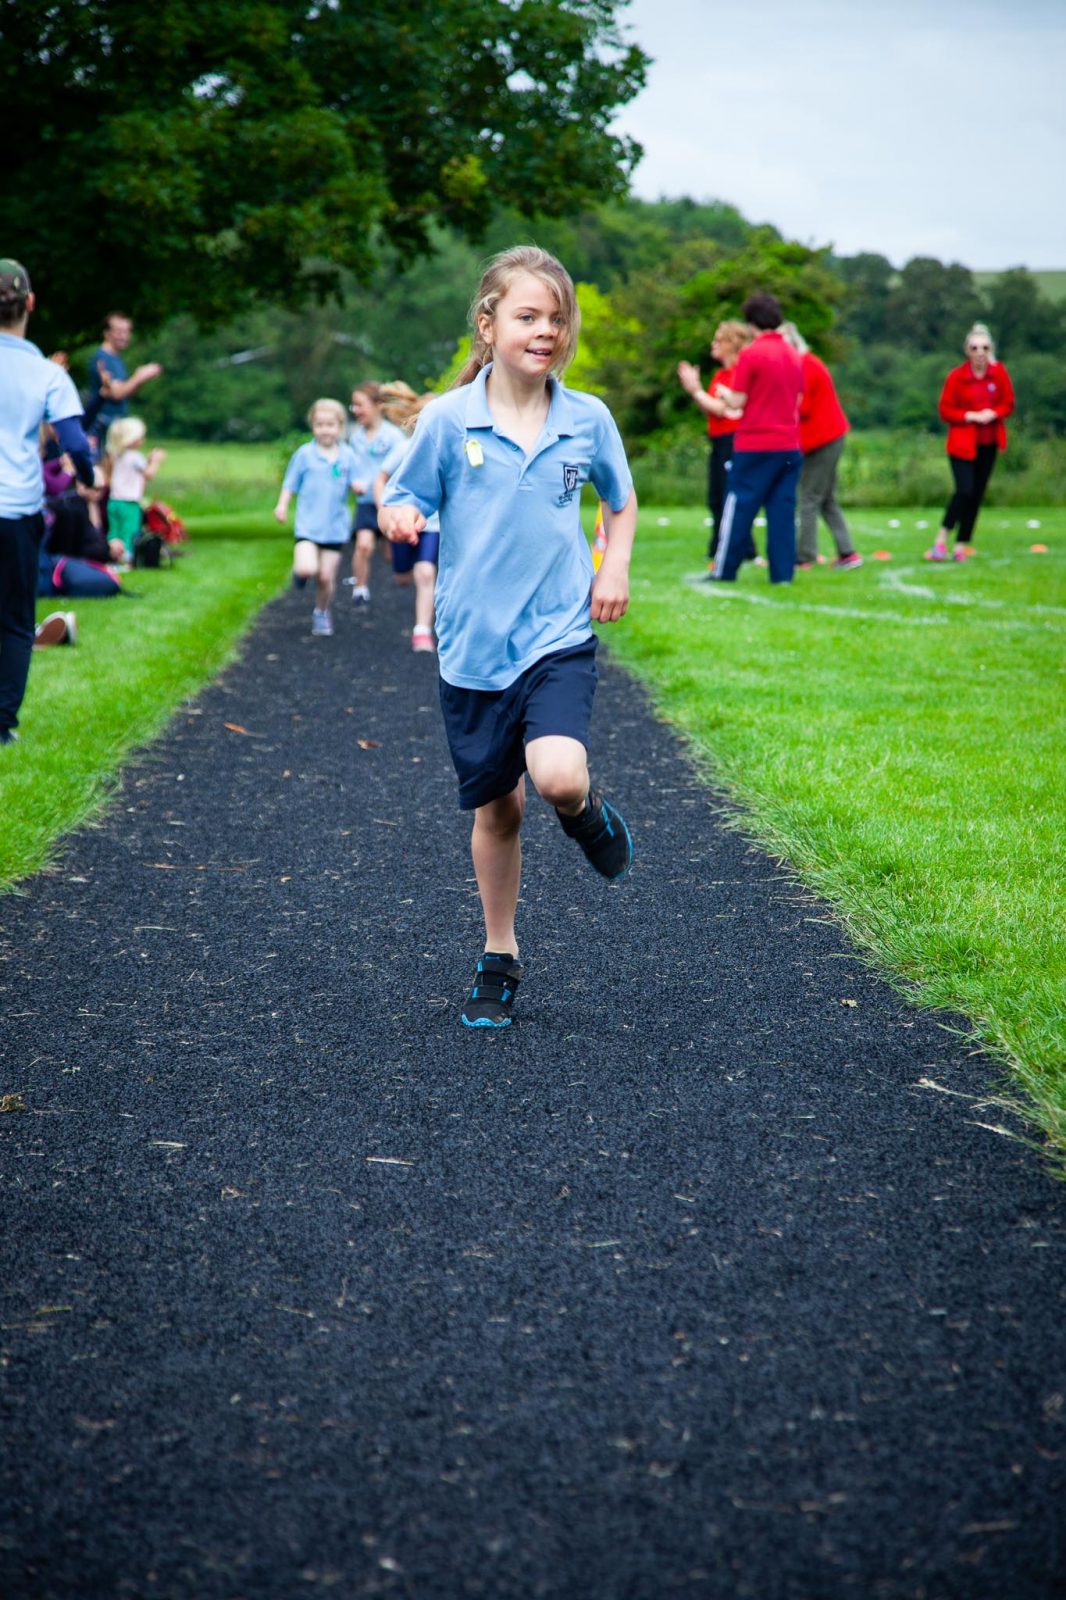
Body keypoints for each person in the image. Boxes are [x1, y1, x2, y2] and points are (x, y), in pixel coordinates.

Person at [380, 245, 637, 1030]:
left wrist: (612, 569)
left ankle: (586, 808)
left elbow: (619, 504)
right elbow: (403, 494)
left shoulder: (587, 418)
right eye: (528, 316)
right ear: (487, 324)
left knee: (555, 776)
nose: (546, 331)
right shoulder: (450, 420)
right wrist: (398, 516)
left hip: (556, 634)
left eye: (557, 319)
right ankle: (500, 952)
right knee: (500, 811)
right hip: (471, 650)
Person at [0, 259, 93, 744]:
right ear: (30, 303)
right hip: (15, 509)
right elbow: (75, 443)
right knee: (15, 620)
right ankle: (1, 726)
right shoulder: (44, 373)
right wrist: (90, 477)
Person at [710, 292, 804, 584]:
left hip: (754, 444)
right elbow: (799, 398)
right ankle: (782, 575)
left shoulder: (751, 353)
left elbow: (737, 402)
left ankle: (724, 570)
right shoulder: (793, 353)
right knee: (782, 512)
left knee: (739, 507)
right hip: (789, 444)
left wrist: (724, 393)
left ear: (752, 323)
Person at [926, 324, 1015, 562]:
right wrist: (970, 416)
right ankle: (941, 539)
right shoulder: (957, 377)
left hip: (989, 443)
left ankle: (961, 545)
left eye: (984, 348)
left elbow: (1008, 403)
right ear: (967, 350)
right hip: (962, 445)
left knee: (976, 494)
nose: (980, 352)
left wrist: (993, 413)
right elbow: (945, 410)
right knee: (964, 491)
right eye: (975, 348)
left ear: (990, 350)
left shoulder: (999, 374)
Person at [274, 398, 361, 637]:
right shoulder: (304, 455)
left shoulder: (347, 456)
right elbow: (290, 484)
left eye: (330, 424)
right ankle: (299, 574)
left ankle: (322, 612)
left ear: (340, 427)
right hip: (308, 526)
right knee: (306, 567)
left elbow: (356, 481)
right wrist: (282, 506)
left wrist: (359, 487)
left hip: (335, 527)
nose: (325, 429)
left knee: (326, 576)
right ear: (313, 426)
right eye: (320, 424)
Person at [779, 323, 862, 571]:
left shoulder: (804, 366)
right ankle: (847, 552)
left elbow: (801, 407)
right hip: (827, 437)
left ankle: (804, 556)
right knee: (826, 499)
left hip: (823, 439)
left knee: (809, 498)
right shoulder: (806, 363)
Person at [677, 319, 754, 565]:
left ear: (733, 344)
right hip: (720, 440)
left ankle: (743, 550)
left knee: (727, 496)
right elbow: (712, 409)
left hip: (734, 440)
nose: (713, 344)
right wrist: (698, 391)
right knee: (716, 496)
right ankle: (720, 547)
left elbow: (722, 409)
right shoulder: (721, 374)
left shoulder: (738, 373)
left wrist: (695, 389)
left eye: (719, 340)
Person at [374, 382, 440, 652]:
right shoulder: (406, 449)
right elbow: (381, 479)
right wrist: (385, 511)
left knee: (425, 573)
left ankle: (422, 631)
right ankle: (405, 572)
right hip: (402, 520)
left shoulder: (449, 447)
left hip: (434, 525)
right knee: (404, 577)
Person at [346, 382, 406, 606]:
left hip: (389, 503)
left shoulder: (393, 437)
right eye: (354, 406)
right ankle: (360, 589)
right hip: (366, 502)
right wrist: (354, 483)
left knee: (391, 555)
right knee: (363, 545)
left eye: (360, 405)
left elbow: (403, 466)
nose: (356, 410)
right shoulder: (355, 438)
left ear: (377, 405)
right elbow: (350, 467)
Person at [86, 312, 162, 459]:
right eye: (119, 331)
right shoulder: (101, 358)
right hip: (103, 424)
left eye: (127, 331)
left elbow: (127, 392)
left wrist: (140, 380)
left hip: (116, 422)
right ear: (106, 333)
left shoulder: (117, 359)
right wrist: (139, 376)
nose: (124, 336)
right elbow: (115, 393)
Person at [104, 417, 165, 563]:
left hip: (114, 501)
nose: (143, 440)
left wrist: (148, 461)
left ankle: (112, 556)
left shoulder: (117, 455)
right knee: (130, 532)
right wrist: (156, 461)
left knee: (114, 532)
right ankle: (128, 559)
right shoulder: (135, 456)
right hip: (129, 503)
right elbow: (148, 474)